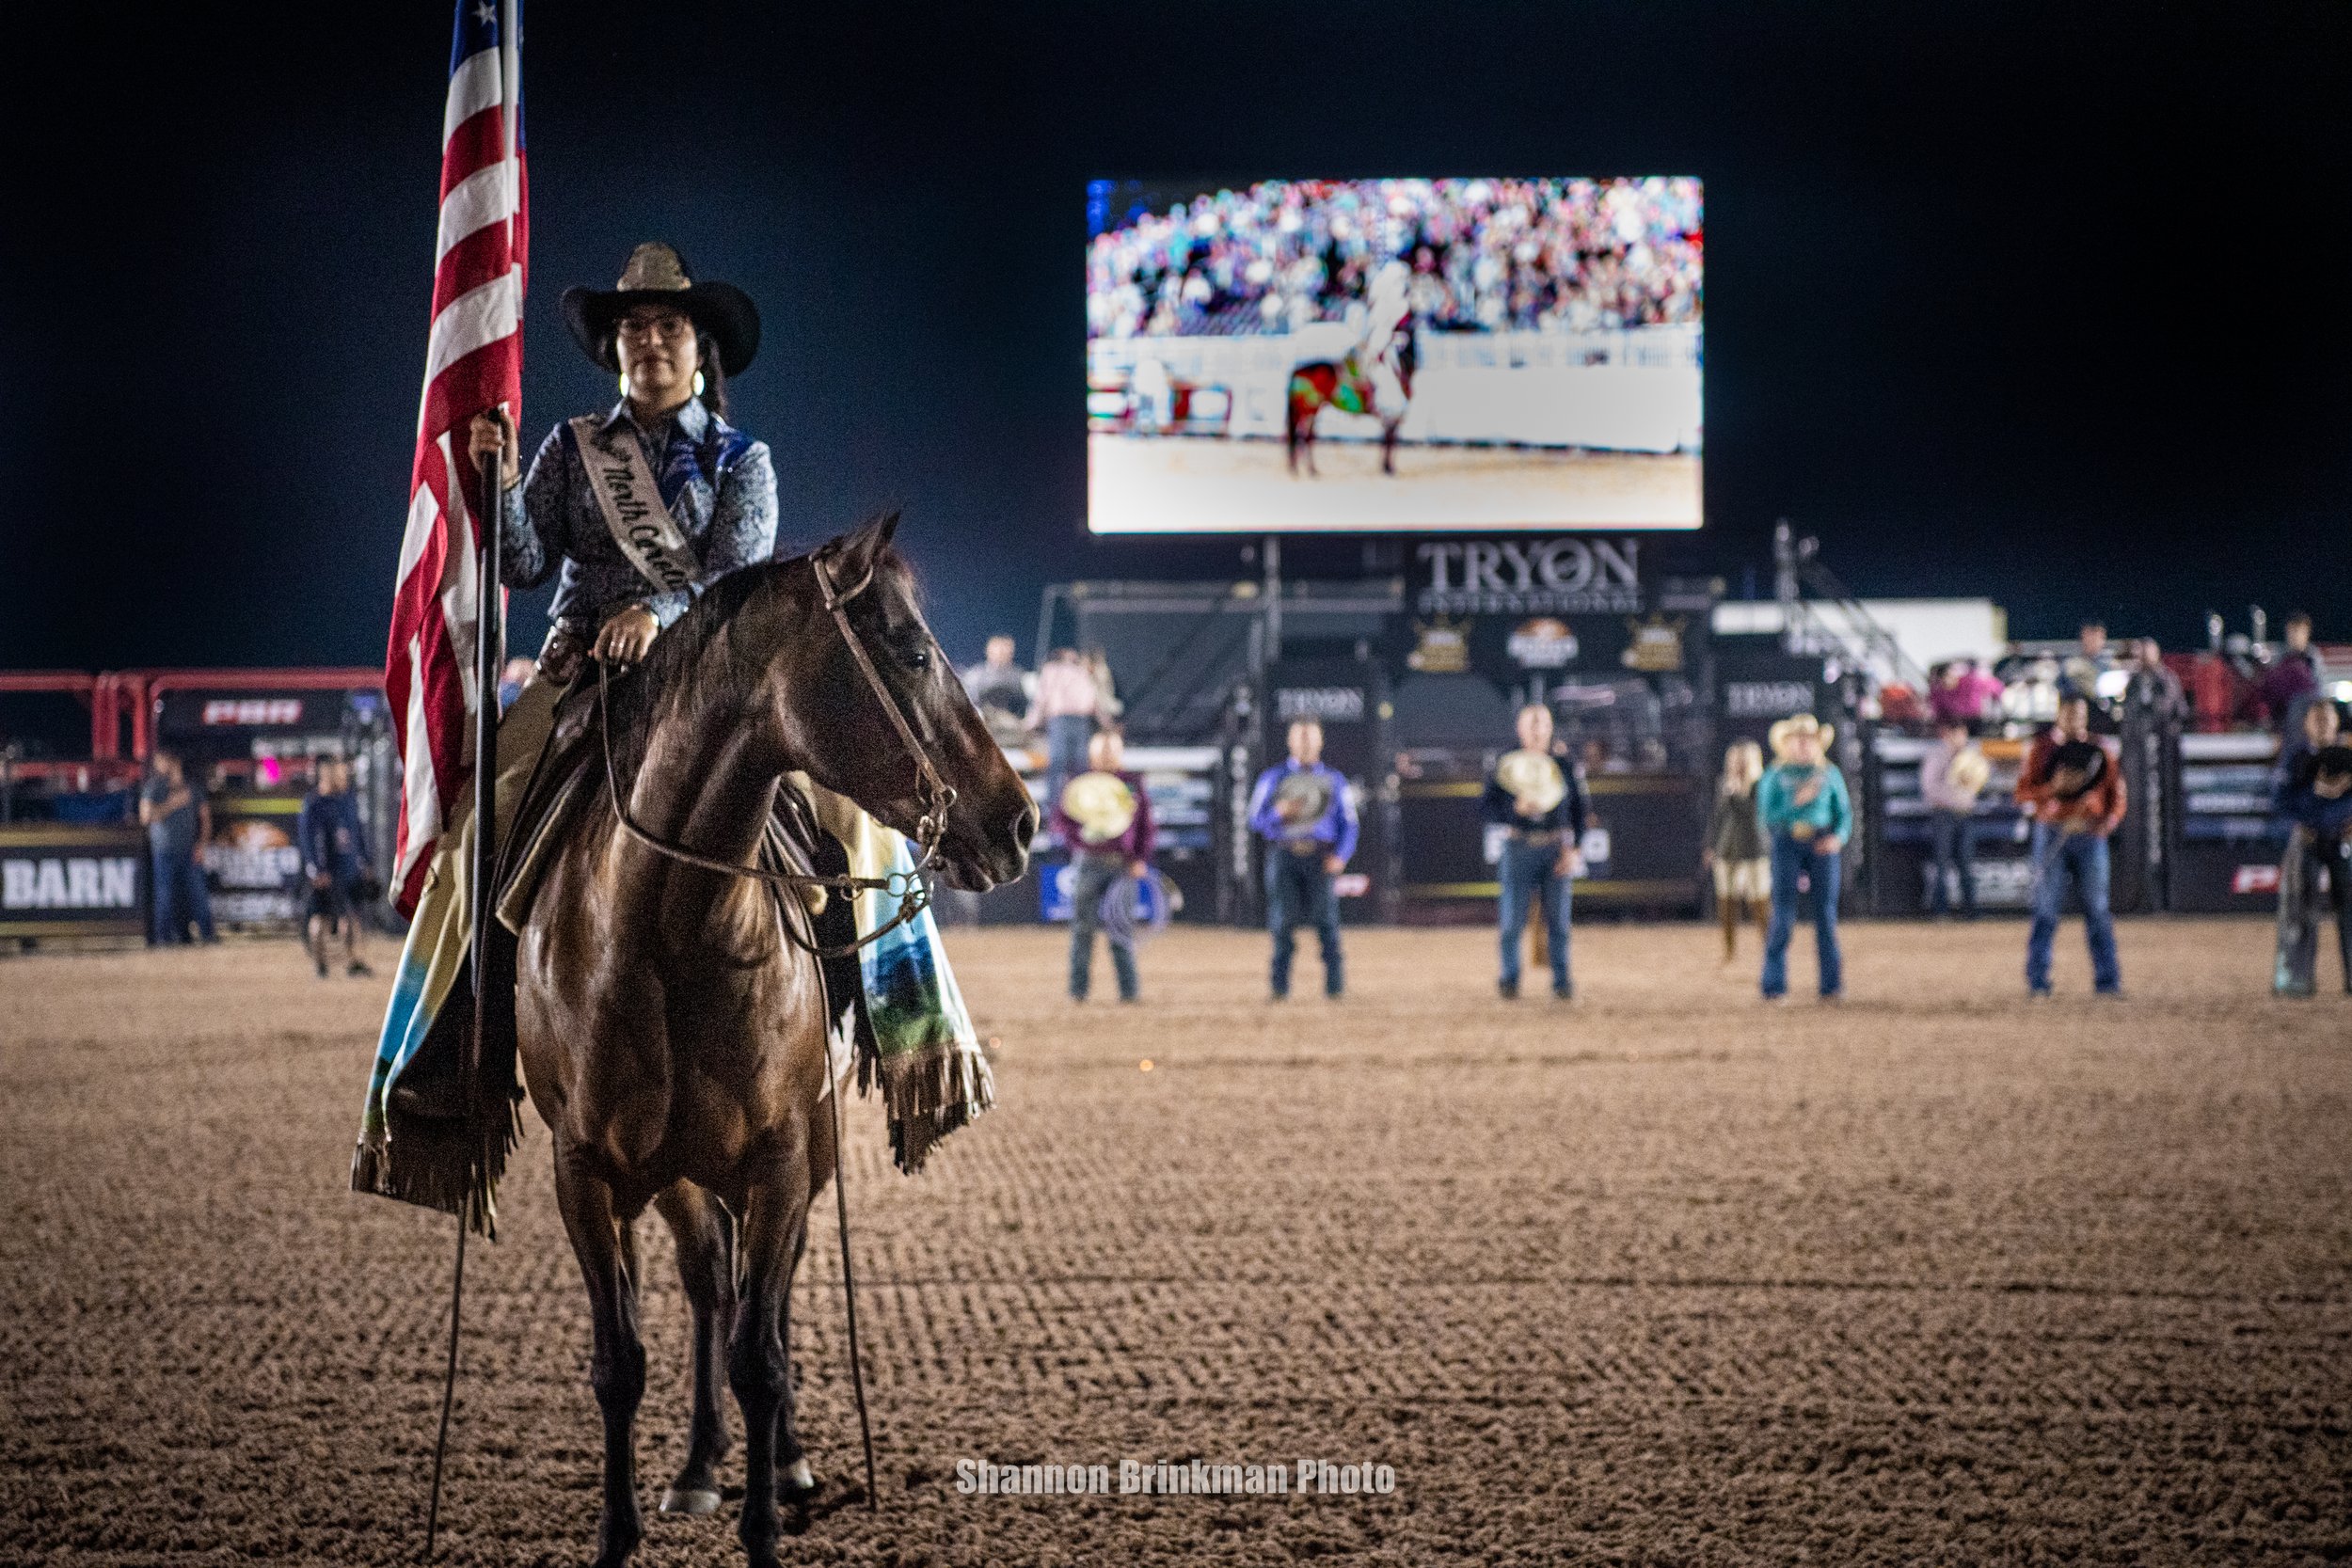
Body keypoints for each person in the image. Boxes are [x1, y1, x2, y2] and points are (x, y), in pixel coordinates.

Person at [2015, 694, 2127, 998]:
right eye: (2070, 715)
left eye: (2080, 715)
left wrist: (2108, 821)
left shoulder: (2100, 750)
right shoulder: (2041, 749)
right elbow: (2022, 793)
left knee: (2098, 910)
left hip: (2090, 834)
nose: (2076, 721)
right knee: (2046, 909)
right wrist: (2051, 789)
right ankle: (2037, 981)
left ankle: (2108, 981)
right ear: (2059, 715)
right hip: (2053, 831)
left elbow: (2116, 794)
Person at [1481, 704, 1587, 999]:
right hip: (1519, 846)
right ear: (1521, 729)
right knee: (1511, 921)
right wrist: (1513, 809)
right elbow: (1485, 806)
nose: (1539, 731)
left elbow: (1580, 809)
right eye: (1533, 725)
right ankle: (1509, 980)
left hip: (1555, 847)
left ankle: (1562, 982)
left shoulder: (1563, 764)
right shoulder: (1506, 762)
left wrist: (1575, 849)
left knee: (1559, 923)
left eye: (1544, 725)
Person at [1248, 718, 1359, 1001]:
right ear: (1290, 741)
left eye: (1311, 737)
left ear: (1320, 742)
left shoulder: (1334, 780)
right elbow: (1255, 819)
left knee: (1327, 922)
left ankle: (1335, 988)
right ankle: (1279, 988)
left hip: (1321, 857)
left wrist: (1341, 856)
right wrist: (1278, 813)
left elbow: (1349, 823)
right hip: (1285, 855)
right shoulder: (1273, 778)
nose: (1306, 744)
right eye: (1301, 737)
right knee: (1282, 923)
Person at [1050, 730, 1156, 1004]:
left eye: (1111, 750)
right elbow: (1060, 820)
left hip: (1122, 865)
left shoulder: (1132, 784)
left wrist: (1140, 859)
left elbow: (1146, 825)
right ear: (1092, 753)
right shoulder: (1078, 783)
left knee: (1121, 928)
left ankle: (1129, 992)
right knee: (1082, 930)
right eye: (1102, 750)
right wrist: (1079, 841)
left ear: (1120, 753)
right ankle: (1077, 992)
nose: (1107, 755)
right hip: (1087, 862)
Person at [1756, 715, 1850, 1003]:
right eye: (1797, 740)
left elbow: (1844, 813)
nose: (1803, 745)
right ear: (1786, 744)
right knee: (1783, 915)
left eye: (1808, 740)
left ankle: (1831, 986)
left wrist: (1837, 838)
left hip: (1822, 844)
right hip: (1787, 842)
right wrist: (1794, 803)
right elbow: (1765, 815)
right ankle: (1773, 985)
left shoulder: (1829, 773)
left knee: (1826, 915)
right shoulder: (1775, 774)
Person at [2271, 700, 2352, 996]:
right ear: (2306, 724)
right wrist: (2302, 818)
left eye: (2326, 719)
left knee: (2350, 910)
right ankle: (2296, 979)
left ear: (2336, 723)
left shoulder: (2347, 756)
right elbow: (2280, 800)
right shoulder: (2297, 758)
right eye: (2316, 720)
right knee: (2300, 909)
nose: (2322, 725)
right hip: (2307, 840)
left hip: (2343, 840)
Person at [298, 755, 374, 979]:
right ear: (325, 773)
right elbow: (307, 839)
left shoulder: (347, 800)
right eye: (337, 772)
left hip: (347, 868)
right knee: (321, 916)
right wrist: (315, 868)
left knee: (349, 915)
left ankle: (352, 961)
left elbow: (357, 832)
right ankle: (320, 964)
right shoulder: (313, 803)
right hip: (325, 871)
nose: (342, 776)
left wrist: (365, 861)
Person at [139, 748, 216, 945]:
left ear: (173, 762)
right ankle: (163, 938)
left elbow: (205, 819)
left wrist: (201, 845)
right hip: (163, 851)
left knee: (198, 895)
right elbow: (145, 817)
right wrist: (172, 804)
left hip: (190, 850)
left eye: (161, 761)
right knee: (164, 896)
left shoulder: (193, 788)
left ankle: (208, 936)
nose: (158, 766)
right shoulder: (154, 787)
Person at [1704, 739, 1770, 961]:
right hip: (1727, 848)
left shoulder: (1760, 784)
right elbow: (1717, 818)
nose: (1738, 764)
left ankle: (1769, 948)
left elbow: (1754, 815)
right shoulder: (1724, 783)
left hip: (1754, 848)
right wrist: (1710, 845)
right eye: (1735, 760)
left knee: (1759, 900)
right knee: (1726, 900)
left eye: (1743, 760)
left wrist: (1736, 795)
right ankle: (1729, 950)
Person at [1919, 718, 1990, 918]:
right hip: (1943, 815)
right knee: (1941, 862)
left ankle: (1970, 909)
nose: (1961, 738)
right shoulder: (1937, 756)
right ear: (1948, 735)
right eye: (1957, 734)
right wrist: (1953, 795)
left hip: (1965, 815)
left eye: (1963, 734)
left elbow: (1979, 781)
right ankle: (1940, 909)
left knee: (1966, 862)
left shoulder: (1970, 757)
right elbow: (1929, 787)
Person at [1029, 647, 1102, 805]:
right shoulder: (1051, 670)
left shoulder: (1083, 670)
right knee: (1058, 761)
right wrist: (1031, 722)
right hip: (1060, 719)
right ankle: (1054, 805)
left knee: (1081, 763)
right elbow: (1042, 698)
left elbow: (1093, 698)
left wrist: (1105, 722)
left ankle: (1081, 803)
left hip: (1081, 720)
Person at [961, 635, 1031, 748]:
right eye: (998, 650)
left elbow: (1025, 704)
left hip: (1011, 727)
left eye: (1006, 651)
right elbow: (967, 701)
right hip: (983, 724)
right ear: (988, 651)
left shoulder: (1019, 676)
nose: (1001, 654)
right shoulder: (975, 675)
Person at [1928, 657, 2005, 731]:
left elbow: (1997, 687)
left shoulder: (1970, 682)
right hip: (1954, 725)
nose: (1946, 682)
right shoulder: (1937, 692)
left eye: (1947, 677)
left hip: (1979, 721)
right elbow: (1939, 714)